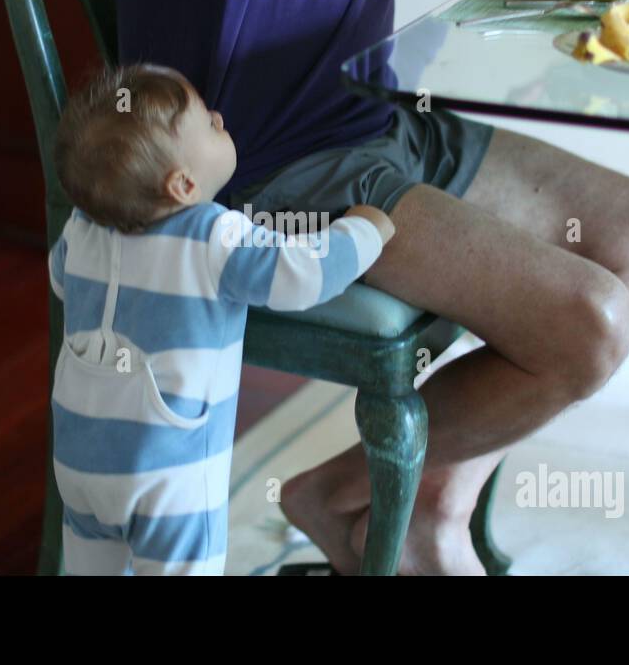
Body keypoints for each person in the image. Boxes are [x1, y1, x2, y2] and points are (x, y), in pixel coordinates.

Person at [116, 0, 629, 574]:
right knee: (588, 324)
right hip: (255, 166)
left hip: (375, 121)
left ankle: (433, 503)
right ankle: (337, 496)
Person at [47, 64, 394, 574]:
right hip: (168, 479)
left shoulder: (81, 229)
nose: (219, 115)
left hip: (80, 467)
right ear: (185, 184)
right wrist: (366, 230)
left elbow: (60, 279)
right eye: (207, 123)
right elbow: (300, 274)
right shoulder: (214, 237)